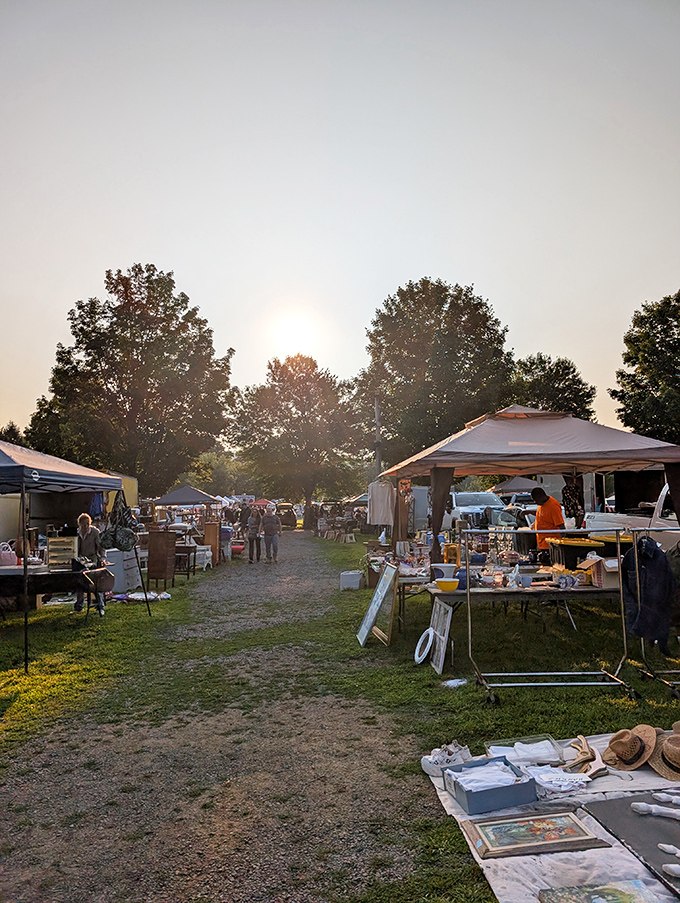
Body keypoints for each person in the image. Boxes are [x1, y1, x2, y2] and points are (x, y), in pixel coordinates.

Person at [75, 513, 105, 615]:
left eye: (87, 524)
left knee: (95, 581)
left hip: (92, 558)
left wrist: (103, 558)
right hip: (81, 559)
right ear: (79, 524)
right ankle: (79, 605)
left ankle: (100, 604)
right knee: (79, 580)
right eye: (83, 525)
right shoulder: (77, 533)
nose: (86, 526)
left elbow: (101, 546)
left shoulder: (95, 532)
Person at [531, 487, 565, 562]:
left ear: (541, 496)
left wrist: (562, 545)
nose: (534, 502)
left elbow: (561, 525)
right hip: (542, 544)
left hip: (551, 546)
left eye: (535, 500)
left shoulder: (553, 506)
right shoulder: (542, 505)